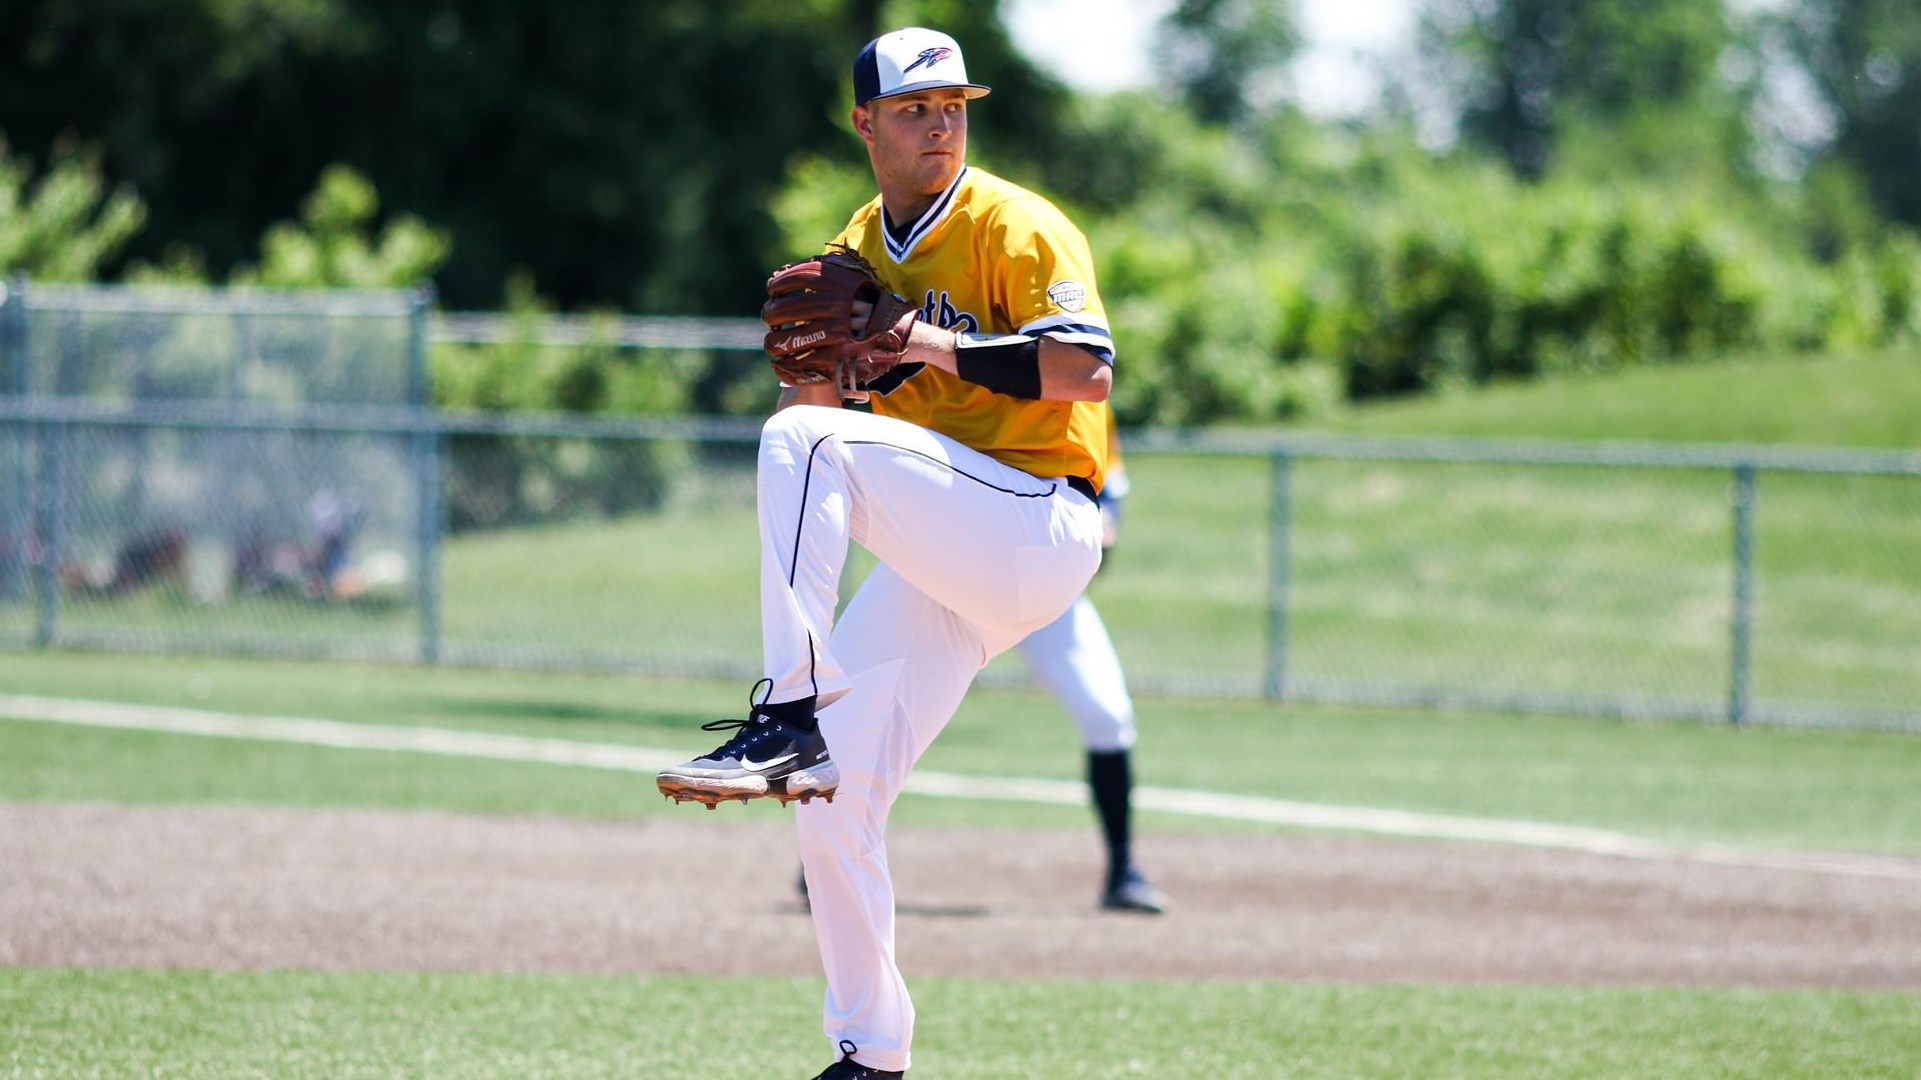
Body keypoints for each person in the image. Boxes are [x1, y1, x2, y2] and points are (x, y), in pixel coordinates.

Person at [655, 26, 1115, 1079]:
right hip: (950, 553)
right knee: (835, 801)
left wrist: (913, 343)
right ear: (863, 123)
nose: (939, 123)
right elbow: (821, 412)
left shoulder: (1016, 225)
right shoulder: (861, 239)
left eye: (953, 104)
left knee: (801, 446)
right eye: (913, 109)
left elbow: (1084, 373)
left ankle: (784, 713)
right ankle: (872, 1052)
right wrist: (809, 371)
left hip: (1041, 521)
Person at [1011, 421, 1170, 915]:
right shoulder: (963, 379)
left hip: (1045, 593)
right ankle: (825, 860)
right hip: (946, 578)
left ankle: (1123, 871)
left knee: (1107, 717)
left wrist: (1104, 524)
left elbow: (1109, 494)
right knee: (885, 715)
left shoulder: (1086, 398)